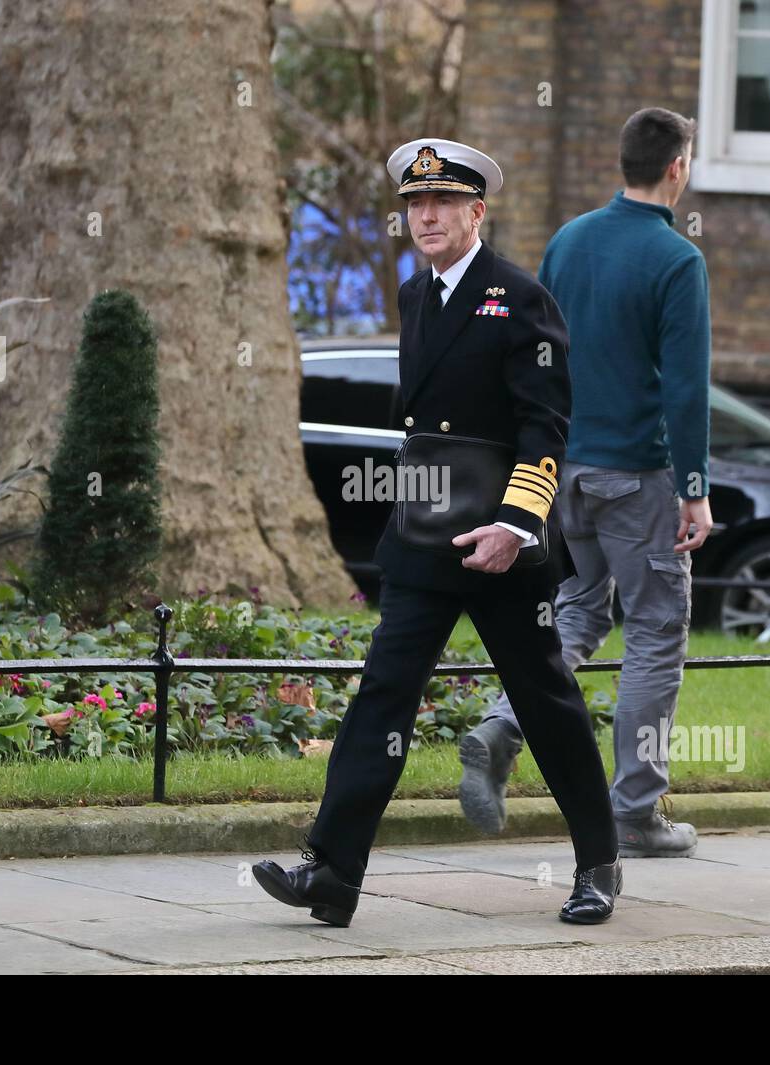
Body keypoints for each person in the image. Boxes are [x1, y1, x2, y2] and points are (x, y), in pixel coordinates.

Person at [252, 138, 622, 927]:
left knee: (545, 699)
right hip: (425, 531)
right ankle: (331, 871)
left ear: (475, 212)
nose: (426, 216)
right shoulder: (416, 296)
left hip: (501, 539)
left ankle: (599, 860)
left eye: (444, 203)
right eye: (416, 205)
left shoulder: (520, 298)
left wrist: (517, 523)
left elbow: (547, 425)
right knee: (381, 694)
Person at [458, 108, 714, 858]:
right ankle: (635, 808)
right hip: (639, 476)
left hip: (564, 470)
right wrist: (694, 487)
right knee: (657, 632)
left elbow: (535, 350)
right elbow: (687, 390)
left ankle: (501, 726)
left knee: (574, 615)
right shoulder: (676, 260)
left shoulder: (569, 240)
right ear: (676, 168)